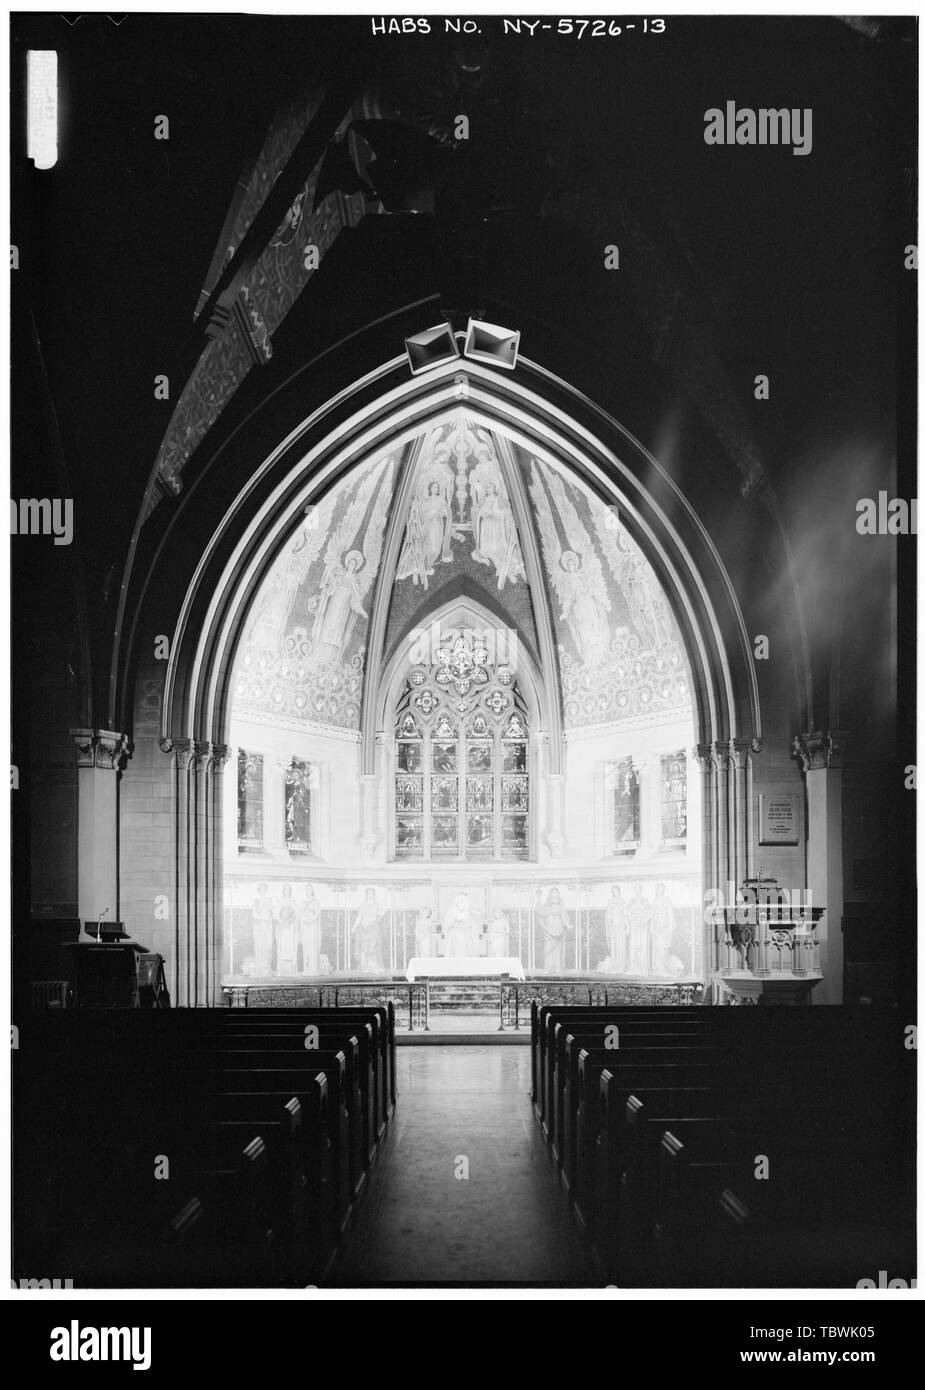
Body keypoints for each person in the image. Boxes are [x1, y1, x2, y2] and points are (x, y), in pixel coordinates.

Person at [536, 887, 571, 974]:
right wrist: (538, 899)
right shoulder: (547, 904)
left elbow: (564, 915)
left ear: (558, 894)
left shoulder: (561, 904)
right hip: (549, 927)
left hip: (558, 926)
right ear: (550, 894)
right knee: (548, 947)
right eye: (553, 892)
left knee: (558, 948)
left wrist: (567, 924)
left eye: (556, 892)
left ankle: (557, 967)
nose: (554, 894)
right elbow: (540, 911)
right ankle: (548, 968)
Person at [352, 888, 383, 973]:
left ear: (374, 894)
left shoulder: (378, 905)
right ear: (366, 895)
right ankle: (365, 967)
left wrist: (376, 917)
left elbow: (381, 914)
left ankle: (374, 967)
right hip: (364, 929)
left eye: (371, 893)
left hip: (374, 928)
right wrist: (354, 927)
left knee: (373, 947)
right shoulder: (362, 905)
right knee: (365, 948)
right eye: (368, 893)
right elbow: (359, 917)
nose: (370, 895)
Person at [443, 893, 481, 958]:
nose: (460, 904)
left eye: (462, 902)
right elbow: (447, 925)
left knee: (466, 953)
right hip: (455, 936)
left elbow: (474, 924)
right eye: (459, 902)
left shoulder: (471, 913)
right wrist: (454, 922)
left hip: (466, 936)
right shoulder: (452, 912)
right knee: (456, 953)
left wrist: (463, 923)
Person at [627, 883, 653, 975]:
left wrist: (643, 917)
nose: (638, 890)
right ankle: (634, 966)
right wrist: (633, 915)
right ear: (634, 890)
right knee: (634, 945)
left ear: (641, 890)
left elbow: (649, 913)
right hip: (634, 926)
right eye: (636, 889)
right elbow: (628, 913)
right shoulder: (631, 901)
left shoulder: (645, 901)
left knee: (643, 944)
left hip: (643, 926)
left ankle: (643, 966)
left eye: (639, 889)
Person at [251, 881, 275, 975]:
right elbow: (255, 915)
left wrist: (269, 915)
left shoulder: (270, 900)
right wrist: (264, 918)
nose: (262, 890)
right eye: (261, 888)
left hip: (268, 926)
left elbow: (273, 913)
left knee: (267, 947)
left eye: (264, 888)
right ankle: (260, 970)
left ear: (266, 889)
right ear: (258, 890)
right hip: (259, 926)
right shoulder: (255, 901)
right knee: (259, 947)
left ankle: (267, 970)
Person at [604, 884, 628, 972]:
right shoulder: (611, 901)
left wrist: (627, 927)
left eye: (616, 890)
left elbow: (625, 915)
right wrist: (610, 925)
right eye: (613, 891)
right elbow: (608, 915)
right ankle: (614, 966)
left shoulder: (623, 901)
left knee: (621, 945)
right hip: (613, 926)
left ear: (619, 891)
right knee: (614, 947)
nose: (615, 892)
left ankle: (621, 966)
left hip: (621, 926)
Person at [299, 883, 321, 976]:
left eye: (309, 889)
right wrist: (303, 922)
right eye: (306, 889)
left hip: (312, 925)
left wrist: (311, 919)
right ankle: (306, 969)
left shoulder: (316, 902)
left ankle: (313, 970)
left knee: (312, 946)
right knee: (306, 946)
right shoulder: (303, 902)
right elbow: (301, 914)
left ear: (312, 891)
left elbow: (317, 913)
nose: (308, 891)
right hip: (305, 926)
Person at [276, 883, 298, 976]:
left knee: (291, 947)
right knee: (283, 947)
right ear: (283, 891)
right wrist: (282, 922)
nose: (287, 891)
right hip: (282, 928)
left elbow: (296, 915)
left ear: (290, 891)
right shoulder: (279, 902)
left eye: (288, 889)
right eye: (285, 889)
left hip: (290, 928)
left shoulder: (293, 902)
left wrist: (290, 923)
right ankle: (281, 970)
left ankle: (292, 970)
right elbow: (277, 915)